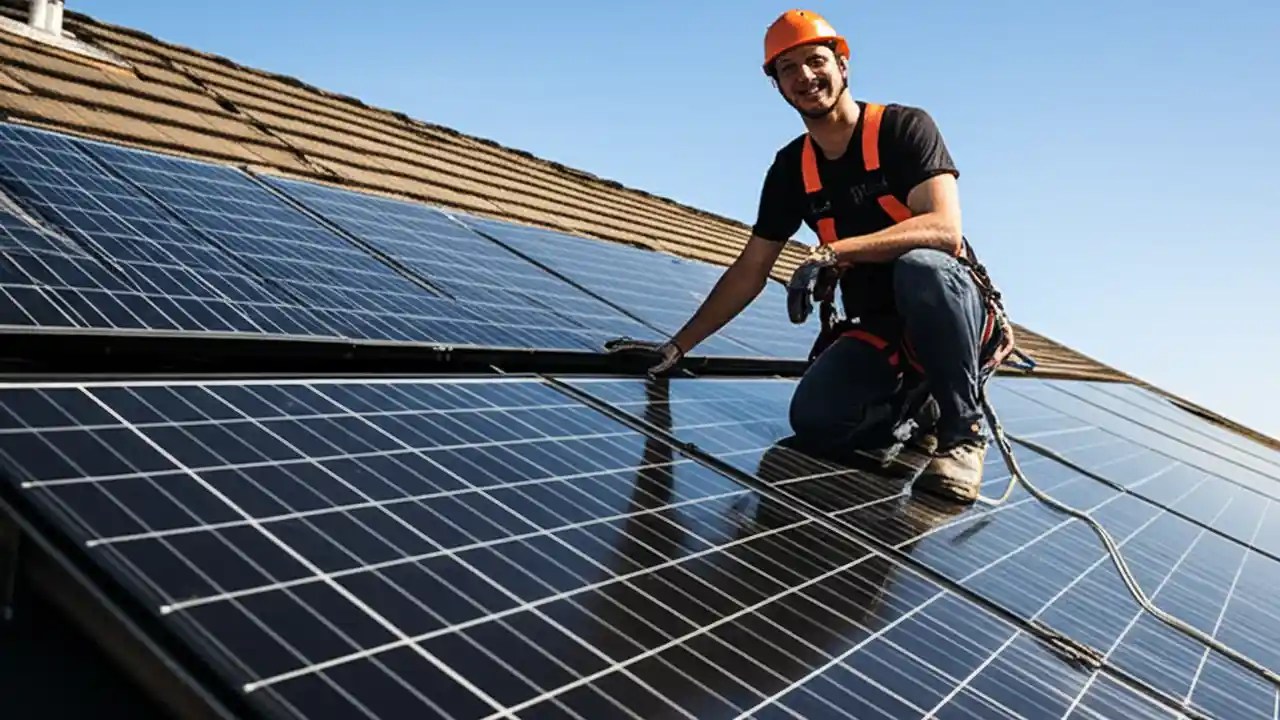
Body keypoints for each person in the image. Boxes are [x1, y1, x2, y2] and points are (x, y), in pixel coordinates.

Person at [608, 9, 1015, 504]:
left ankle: (963, 434)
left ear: (843, 64)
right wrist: (676, 348)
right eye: (787, 69)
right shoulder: (790, 170)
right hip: (881, 325)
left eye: (815, 60)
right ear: (776, 85)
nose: (804, 76)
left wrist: (832, 252)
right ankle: (918, 406)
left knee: (921, 266)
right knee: (816, 419)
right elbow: (750, 270)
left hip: (948, 307)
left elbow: (943, 231)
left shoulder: (905, 128)